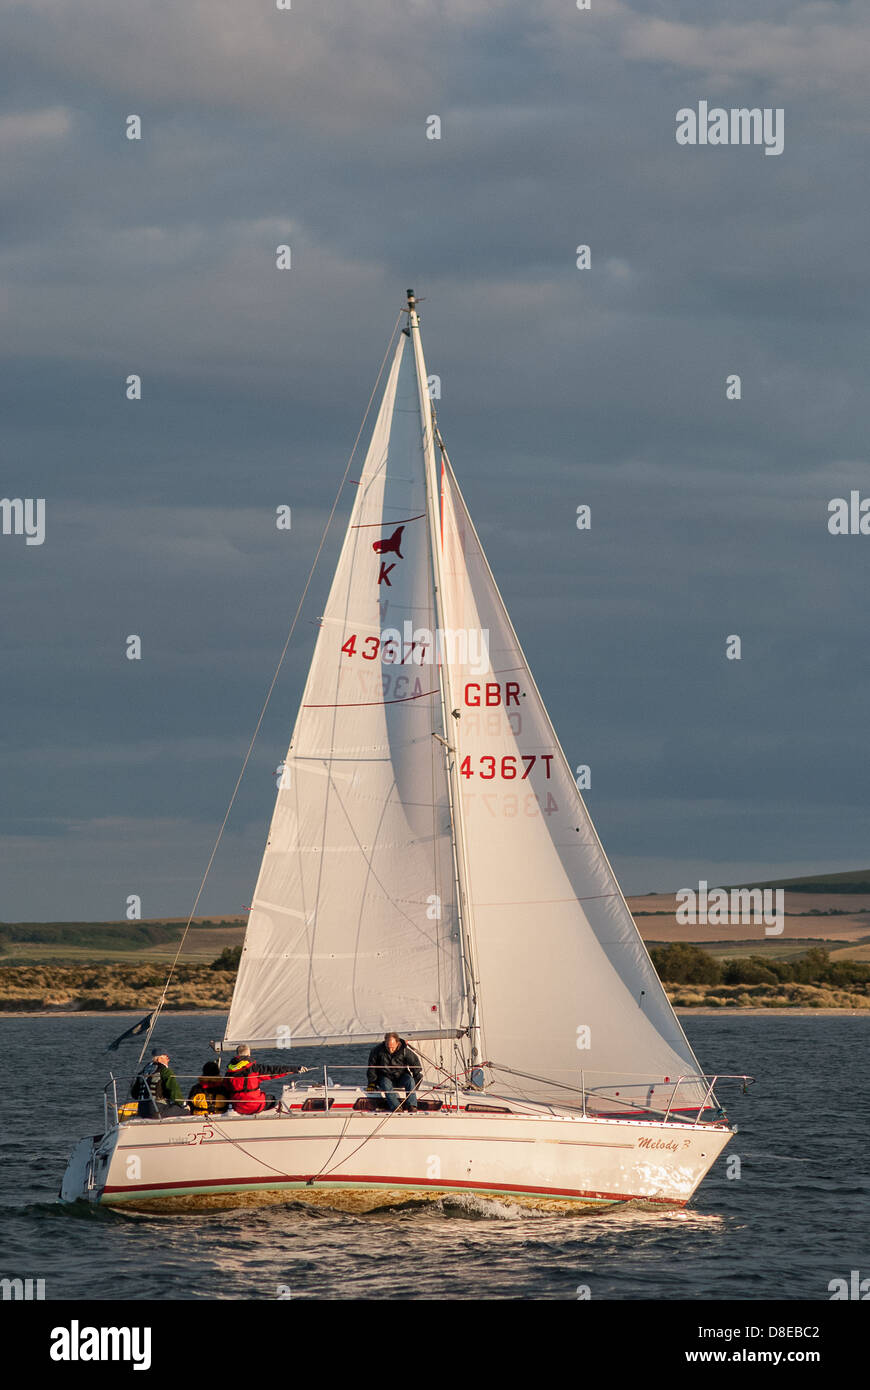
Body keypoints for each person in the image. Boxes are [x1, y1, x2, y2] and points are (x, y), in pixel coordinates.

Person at [224, 1044, 308, 1115]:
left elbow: (226, 1088)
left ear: (237, 1054)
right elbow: (275, 1071)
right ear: (249, 1055)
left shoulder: (229, 1072)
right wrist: (296, 1069)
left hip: (237, 1107)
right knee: (272, 1099)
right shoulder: (255, 1069)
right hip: (256, 1106)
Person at [366, 1032, 422, 1112]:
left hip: (401, 1076)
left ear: (397, 1043)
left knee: (410, 1080)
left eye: (392, 1047)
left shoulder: (405, 1051)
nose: (390, 1050)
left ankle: (412, 1105)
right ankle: (396, 1107)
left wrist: (416, 1083)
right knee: (385, 1083)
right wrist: (372, 1083)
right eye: (388, 1047)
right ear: (385, 1043)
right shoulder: (377, 1051)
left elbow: (416, 1067)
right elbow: (372, 1068)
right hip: (385, 1077)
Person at [130, 1050, 187, 1118]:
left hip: (141, 1110)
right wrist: (184, 1104)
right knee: (186, 1111)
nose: (168, 1060)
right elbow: (174, 1091)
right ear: (159, 1058)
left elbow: (134, 1095)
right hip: (156, 1110)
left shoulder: (142, 1072)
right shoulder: (165, 1071)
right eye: (167, 1058)